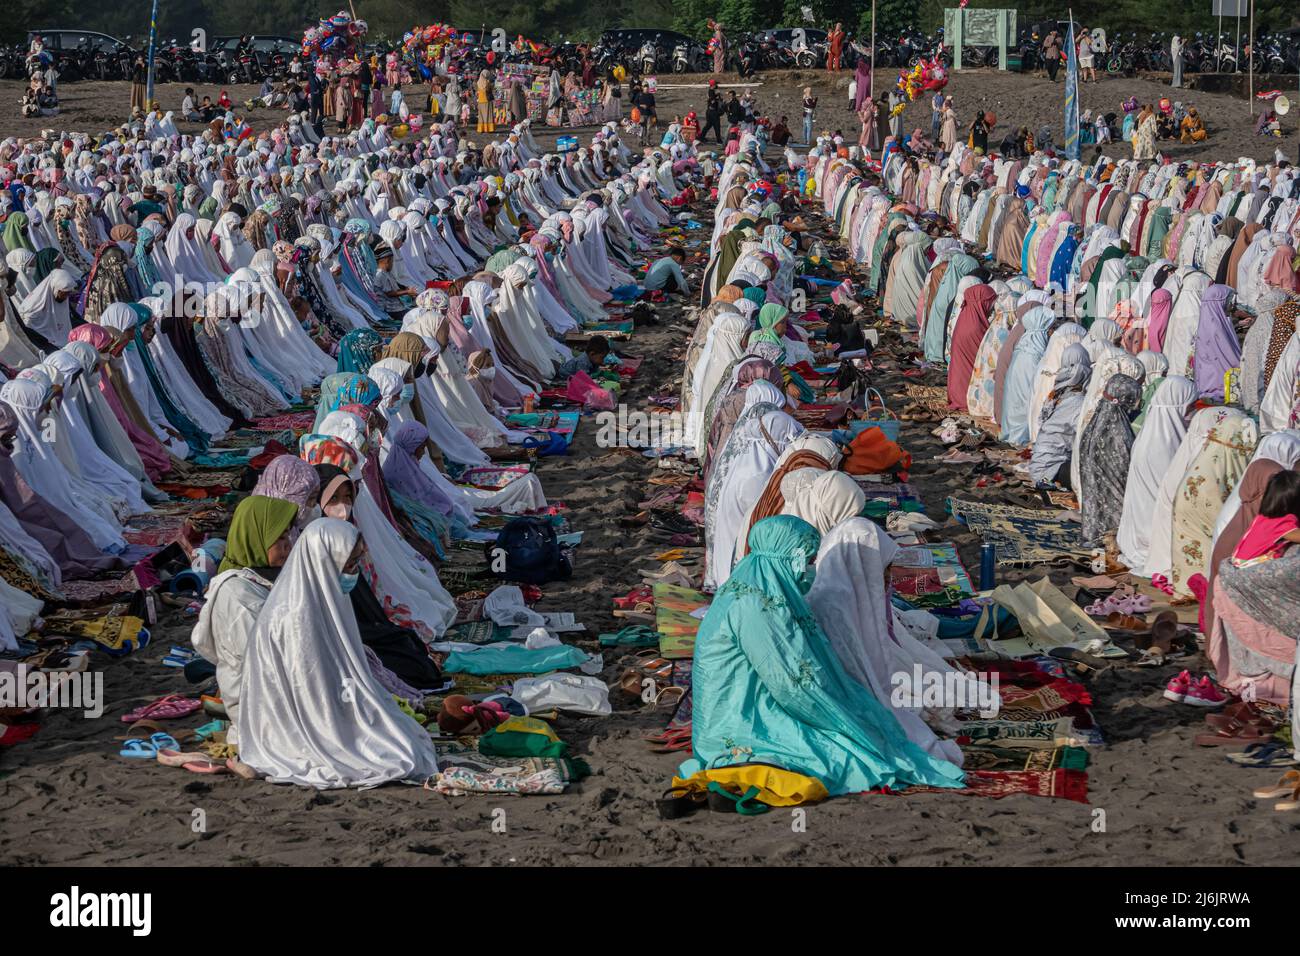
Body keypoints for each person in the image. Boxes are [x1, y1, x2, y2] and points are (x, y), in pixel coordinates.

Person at [681, 514, 967, 796]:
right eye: (806, 561)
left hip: (747, 705)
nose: (809, 571)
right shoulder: (755, 604)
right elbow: (791, 686)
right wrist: (843, 717)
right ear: (789, 558)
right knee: (847, 755)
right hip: (737, 721)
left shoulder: (756, 585)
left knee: (861, 729)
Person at [237, 518, 441, 789]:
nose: (353, 572)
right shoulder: (294, 616)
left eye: (355, 562)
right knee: (396, 755)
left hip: (328, 705)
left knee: (405, 741)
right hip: (296, 720)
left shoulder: (324, 597)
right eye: (348, 564)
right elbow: (309, 693)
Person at [190, 495, 297, 747]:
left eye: (287, 537)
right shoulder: (237, 594)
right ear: (255, 536)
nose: (289, 546)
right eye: (280, 538)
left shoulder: (264, 579)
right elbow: (264, 664)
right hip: (260, 708)